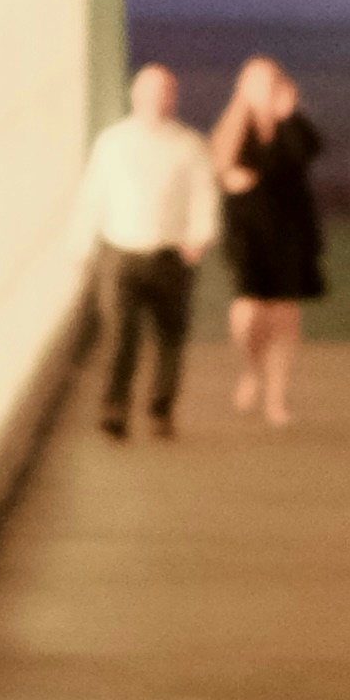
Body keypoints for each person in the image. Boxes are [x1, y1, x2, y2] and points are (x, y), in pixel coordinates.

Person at [71, 63, 218, 440]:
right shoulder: (113, 142)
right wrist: (82, 246)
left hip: (170, 254)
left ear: (173, 99)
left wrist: (199, 236)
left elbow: (204, 193)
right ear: (135, 96)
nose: (157, 101)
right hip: (120, 251)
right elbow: (93, 196)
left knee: (170, 334)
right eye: (150, 93)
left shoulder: (188, 144)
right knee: (120, 335)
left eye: (165, 93)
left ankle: (160, 406)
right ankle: (114, 407)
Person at [210, 56, 325, 426]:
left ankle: (277, 397)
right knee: (248, 312)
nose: (262, 90)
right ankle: (251, 369)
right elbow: (219, 165)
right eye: (254, 82)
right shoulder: (234, 126)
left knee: (285, 315)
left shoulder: (294, 126)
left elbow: (305, 154)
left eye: (268, 82)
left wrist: (288, 115)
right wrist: (230, 178)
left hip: (290, 231)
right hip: (247, 232)